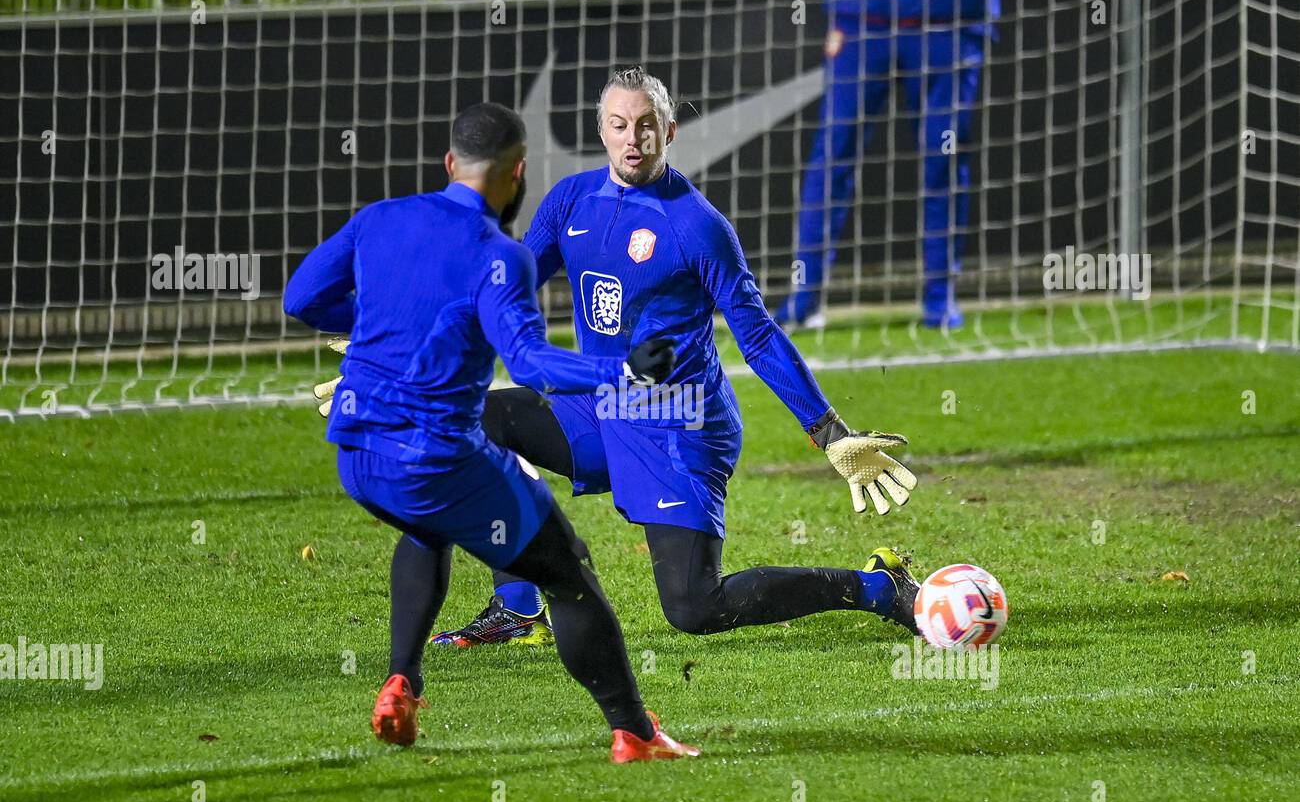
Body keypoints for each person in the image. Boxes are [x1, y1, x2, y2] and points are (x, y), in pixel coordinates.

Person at [388, 68, 927, 650]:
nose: (632, 139)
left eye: (646, 126)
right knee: (476, 421)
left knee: (695, 606)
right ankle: (517, 608)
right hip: (600, 407)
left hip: (679, 422)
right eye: (619, 125)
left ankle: (875, 586)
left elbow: (759, 336)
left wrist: (830, 432)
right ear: (602, 132)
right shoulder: (571, 200)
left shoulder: (696, 226)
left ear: (668, 131)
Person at [285, 101, 698, 763]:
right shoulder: (500, 256)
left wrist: (380, 321)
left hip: (358, 457)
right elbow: (530, 362)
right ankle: (636, 734)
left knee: (427, 525)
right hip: (437, 461)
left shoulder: (380, 219)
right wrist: (622, 370)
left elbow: (299, 299)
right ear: (517, 177)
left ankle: (401, 681)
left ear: (450, 164)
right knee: (567, 572)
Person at [773, 0, 1002, 330]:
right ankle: (805, 297)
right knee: (834, 154)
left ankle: (940, 297)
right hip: (862, 13)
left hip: (950, 11)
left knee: (944, 157)